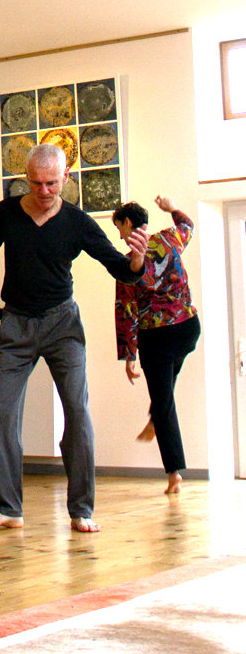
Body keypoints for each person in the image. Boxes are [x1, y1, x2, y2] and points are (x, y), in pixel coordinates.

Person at [0, 144, 148, 534]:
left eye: (52, 183)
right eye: (35, 182)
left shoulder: (77, 222)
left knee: (78, 413)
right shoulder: (5, 213)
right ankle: (9, 508)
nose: (44, 190)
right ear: (25, 178)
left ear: (66, 178)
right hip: (15, 324)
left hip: (62, 325)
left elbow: (120, 268)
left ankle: (81, 509)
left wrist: (136, 261)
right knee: (0, 411)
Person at [112, 195, 200, 495]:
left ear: (127, 222)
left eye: (119, 228)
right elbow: (188, 225)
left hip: (157, 336)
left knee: (163, 403)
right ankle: (154, 417)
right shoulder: (170, 238)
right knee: (164, 394)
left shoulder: (127, 264)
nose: (120, 235)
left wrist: (129, 353)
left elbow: (127, 309)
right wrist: (172, 208)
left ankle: (174, 474)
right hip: (188, 327)